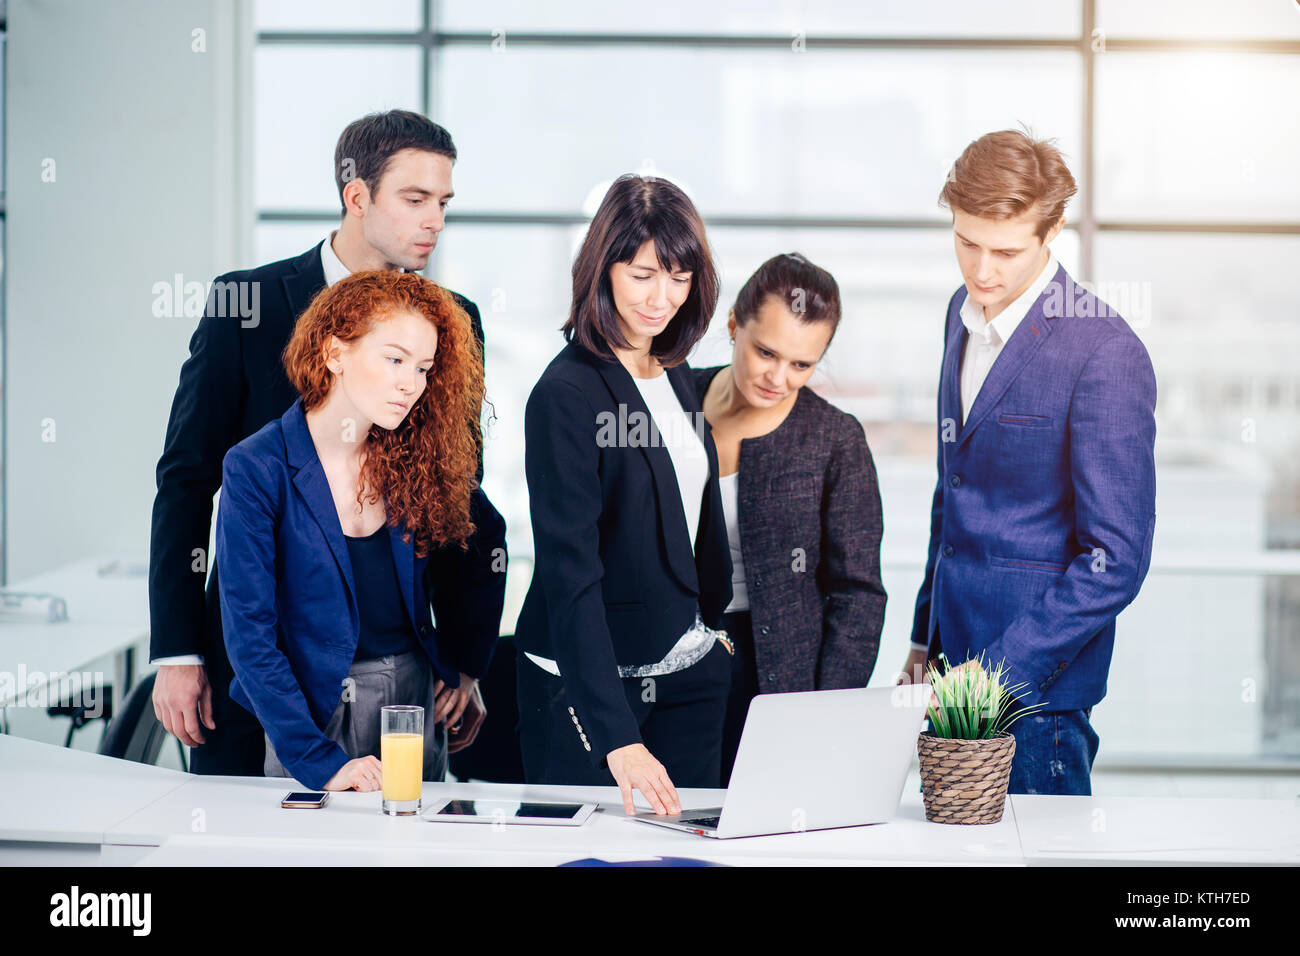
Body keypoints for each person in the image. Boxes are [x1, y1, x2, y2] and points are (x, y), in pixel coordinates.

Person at [149, 110, 487, 775]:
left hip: (402, 675)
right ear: (356, 197)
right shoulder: (244, 304)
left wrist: (465, 660)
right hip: (256, 660)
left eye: (444, 202)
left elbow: (462, 496)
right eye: (415, 199)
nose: (435, 222)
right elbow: (187, 481)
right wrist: (179, 650)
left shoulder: (455, 319)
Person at [896, 129, 1157, 796]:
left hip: (1038, 703)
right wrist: (925, 640)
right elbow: (951, 492)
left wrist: (994, 676)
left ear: (1054, 230)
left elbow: (1116, 561)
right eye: (966, 242)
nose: (982, 271)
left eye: (1006, 251)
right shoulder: (959, 314)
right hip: (948, 675)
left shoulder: (1104, 351)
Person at [215, 270, 505, 791]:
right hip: (310, 711)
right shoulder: (257, 467)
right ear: (334, 352)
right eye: (394, 359)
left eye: (423, 368)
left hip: (413, 703)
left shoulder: (416, 453)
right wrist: (316, 757)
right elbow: (250, 637)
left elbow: (488, 542)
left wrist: (467, 665)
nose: (410, 384)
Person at [514, 174, 733, 815]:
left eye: (678, 277)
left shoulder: (675, 373)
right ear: (602, 268)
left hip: (684, 670)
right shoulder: (565, 394)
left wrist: (711, 631)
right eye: (641, 274)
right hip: (585, 693)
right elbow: (569, 573)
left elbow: (693, 513)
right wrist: (616, 736)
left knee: (689, 859)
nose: (660, 298)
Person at [691, 252, 886, 786]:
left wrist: (825, 711)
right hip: (672, 660)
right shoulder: (673, 400)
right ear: (734, 324)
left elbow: (859, 594)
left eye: (802, 365)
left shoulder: (834, 440)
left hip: (778, 673)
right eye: (766, 352)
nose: (778, 377)